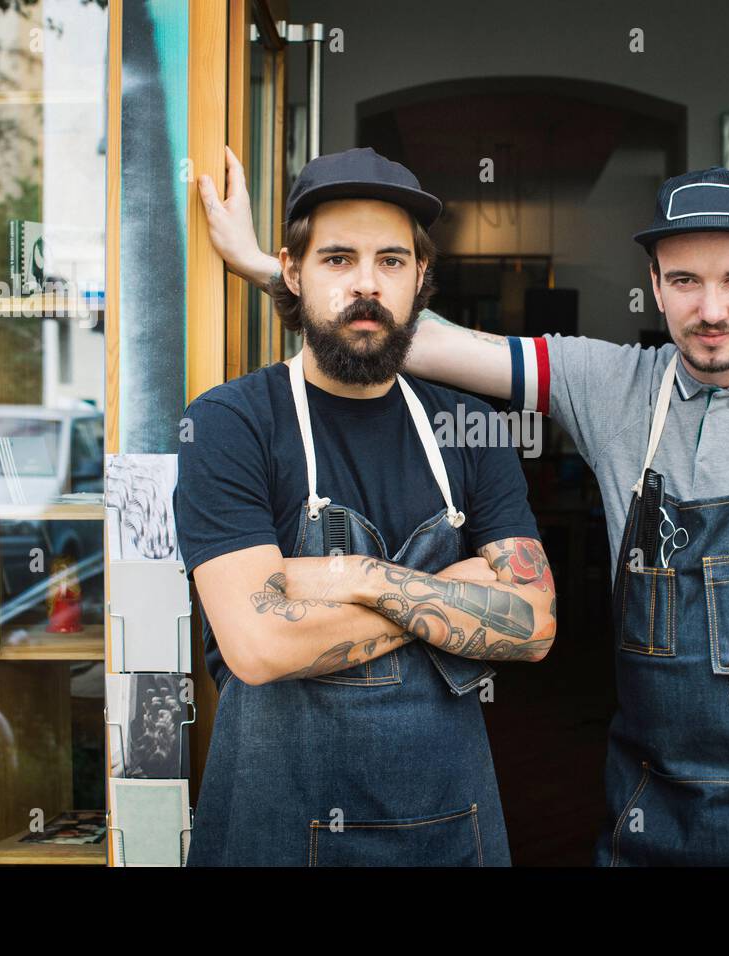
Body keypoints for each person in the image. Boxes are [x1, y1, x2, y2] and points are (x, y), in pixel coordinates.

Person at [201, 153, 729, 866]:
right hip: (647, 808)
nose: (712, 308)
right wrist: (264, 269)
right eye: (684, 280)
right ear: (653, 284)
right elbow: (393, 330)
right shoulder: (612, 387)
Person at [178, 147, 556, 866]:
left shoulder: (471, 428)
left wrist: (352, 577)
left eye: (390, 261)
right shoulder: (231, 423)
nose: (366, 285)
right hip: (278, 825)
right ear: (292, 271)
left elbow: (534, 624)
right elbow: (258, 649)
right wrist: (451, 595)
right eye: (338, 259)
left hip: (448, 822)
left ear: (420, 278)